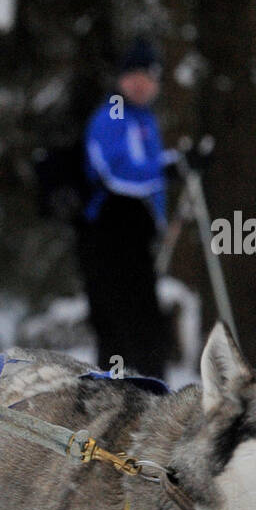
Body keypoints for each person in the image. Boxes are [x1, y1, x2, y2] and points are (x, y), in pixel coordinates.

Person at [78, 39, 172, 379]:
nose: (141, 83)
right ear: (120, 79)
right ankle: (109, 402)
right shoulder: (111, 115)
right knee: (117, 323)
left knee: (146, 321)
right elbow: (114, 172)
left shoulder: (146, 121)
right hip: (108, 233)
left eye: (148, 76)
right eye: (133, 75)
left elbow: (151, 178)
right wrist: (168, 168)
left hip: (137, 233)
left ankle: (153, 396)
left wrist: (161, 220)